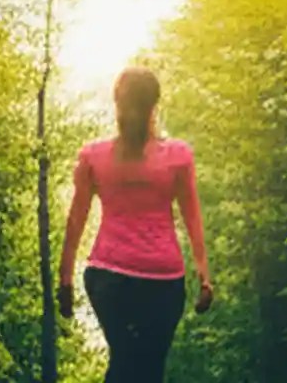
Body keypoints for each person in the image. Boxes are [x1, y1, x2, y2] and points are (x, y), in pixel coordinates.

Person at [56, 66, 213, 382]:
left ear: (117, 103)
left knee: (125, 361)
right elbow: (192, 215)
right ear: (155, 106)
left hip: (109, 280)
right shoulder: (178, 155)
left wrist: (65, 279)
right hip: (162, 282)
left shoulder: (94, 156)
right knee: (149, 368)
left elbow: (76, 219)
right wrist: (203, 274)